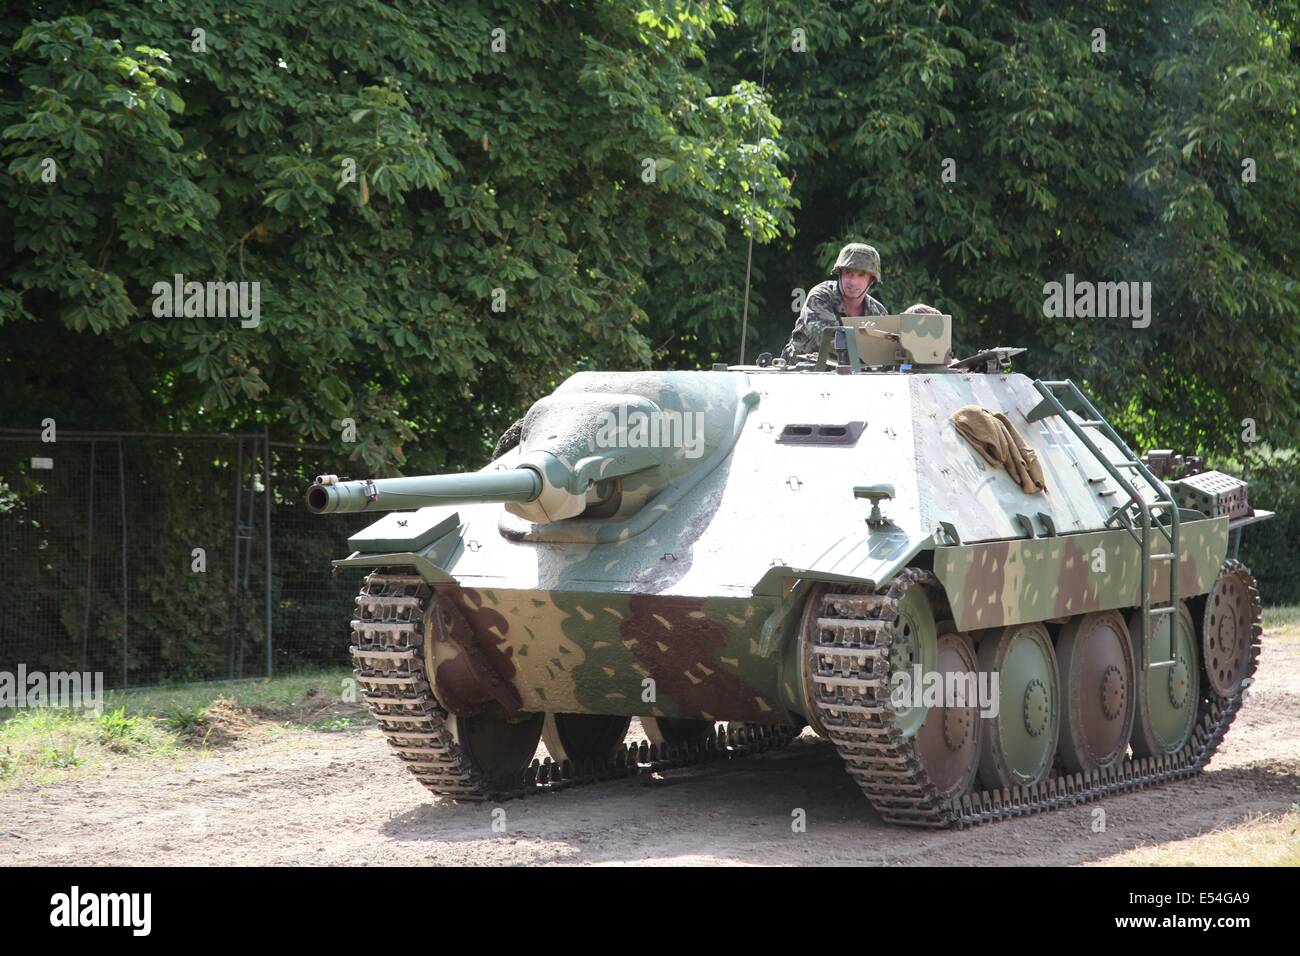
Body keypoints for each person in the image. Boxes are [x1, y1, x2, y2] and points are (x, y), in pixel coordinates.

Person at [780, 243, 888, 363]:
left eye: (861, 275)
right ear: (840, 273)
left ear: (871, 279)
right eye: (848, 273)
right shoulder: (820, 296)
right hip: (801, 371)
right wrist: (867, 342)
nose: (853, 281)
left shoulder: (878, 311)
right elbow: (828, 338)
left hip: (854, 374)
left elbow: (885, 352)